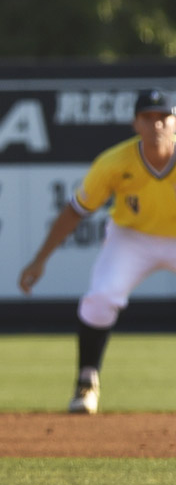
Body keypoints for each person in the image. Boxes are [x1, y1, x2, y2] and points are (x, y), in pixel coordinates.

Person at [18, 87, 176, 414]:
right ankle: (86, 382)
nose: (157, 124)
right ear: (135, 124)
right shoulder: (115, 162)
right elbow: (76, 210)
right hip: (132, 237)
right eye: (148, 117)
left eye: (164, 117)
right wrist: (40, 259)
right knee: (101, 297)